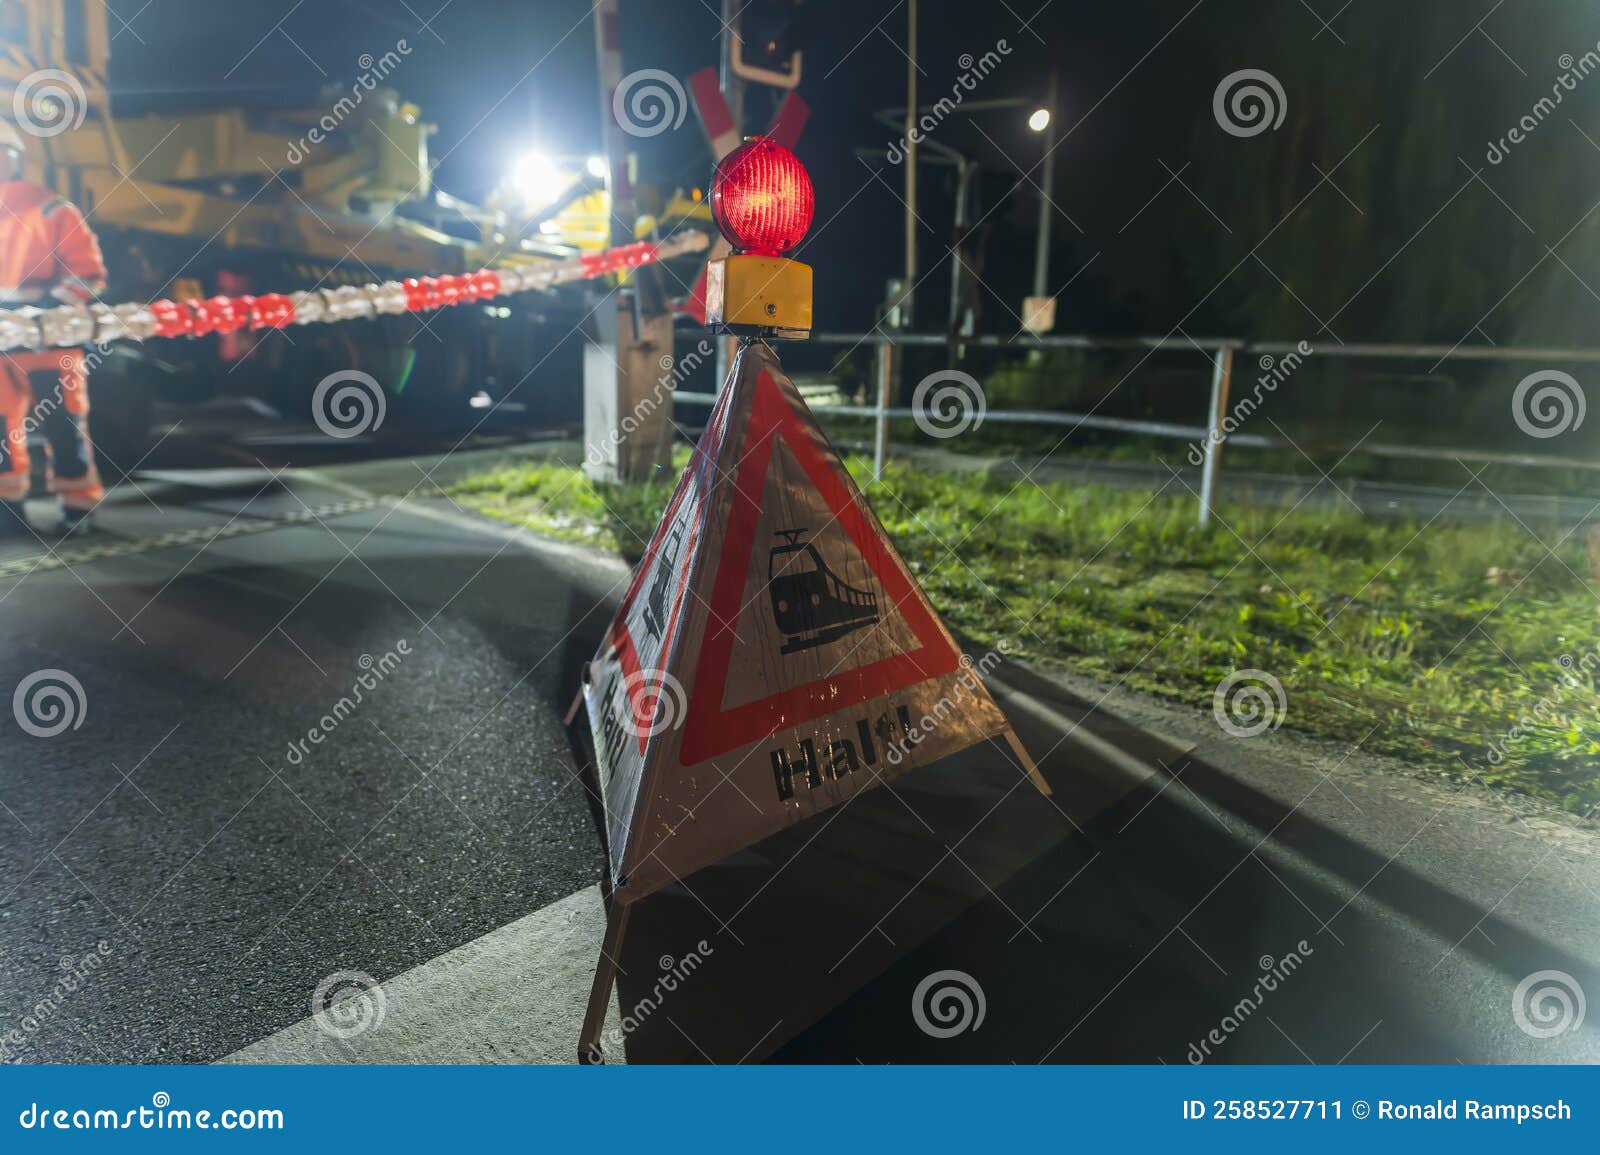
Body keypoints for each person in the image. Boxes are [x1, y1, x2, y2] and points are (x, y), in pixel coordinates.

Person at [0, 118, 108, 537]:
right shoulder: (50, 207)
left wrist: (49, 305)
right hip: (5, 340)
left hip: (49, 336)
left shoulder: (51, 209)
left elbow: (88, 275)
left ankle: (79, 506)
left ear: (15, 159)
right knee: (2, 427)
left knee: (62, 423)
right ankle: (9, 507)